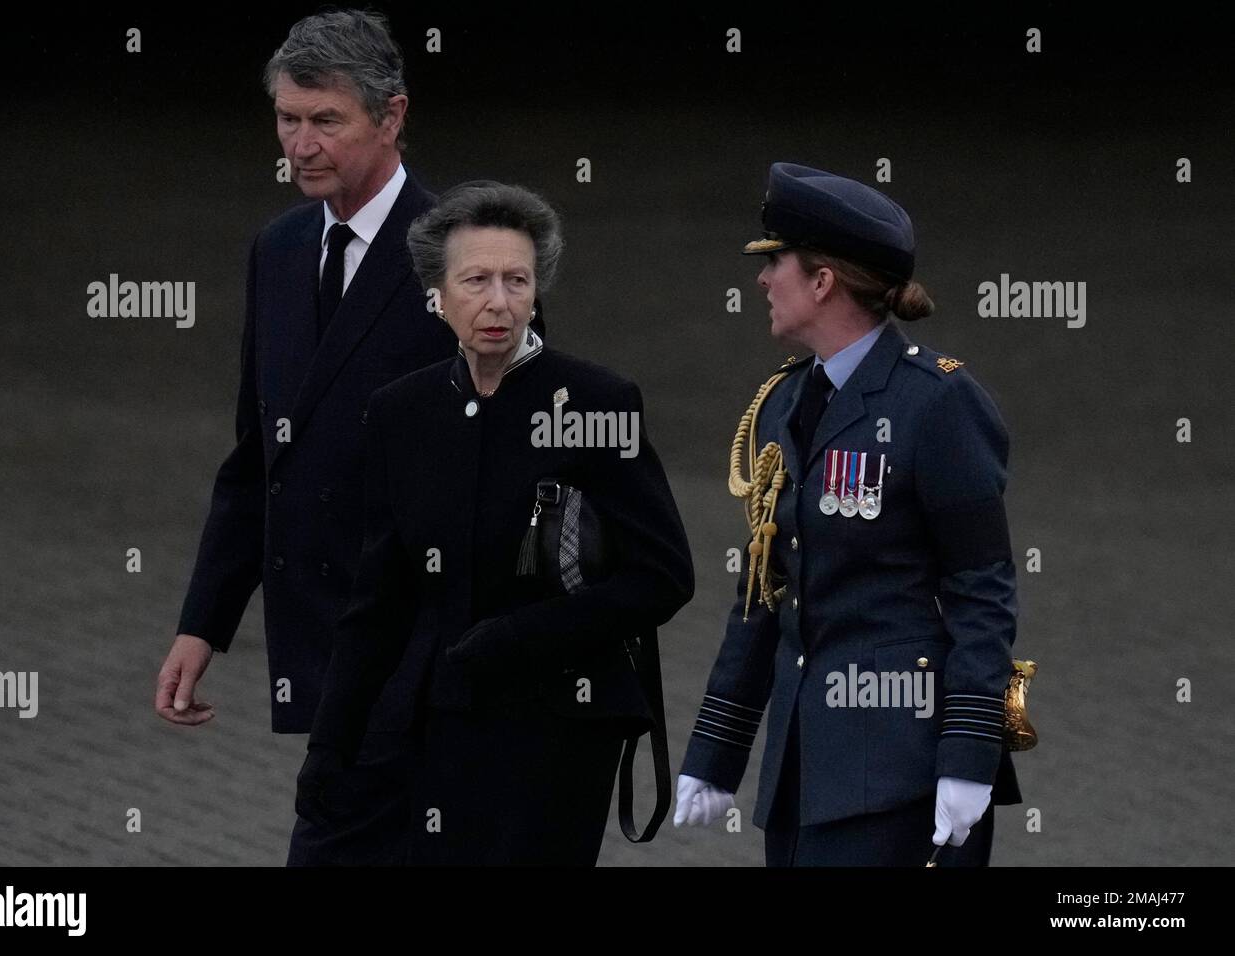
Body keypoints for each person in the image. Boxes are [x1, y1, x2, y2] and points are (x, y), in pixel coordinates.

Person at [296, 182, 695, 865]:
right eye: (476, 280)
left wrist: (519, 635)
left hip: (556, 728)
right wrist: (330, 743)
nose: (499, 302)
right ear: (438, 294)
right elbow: (378, 601)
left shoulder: (598, 401)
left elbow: (663, 577)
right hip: (426, 712)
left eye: (517, 280)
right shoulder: (402, 411)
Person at [153, 9, 457, 866]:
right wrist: (202, 625)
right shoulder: (280, 251)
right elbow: (258, 459)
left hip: (428, 666)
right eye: (289, 119)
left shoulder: (464, 256)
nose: (301, 142)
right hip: (327, 653)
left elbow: (519, 466)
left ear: (391, 117)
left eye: (327, 120)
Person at [675, 163, 1023, 866]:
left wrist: (968, 754)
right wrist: (717, 749)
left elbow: (981, 586)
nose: (762, 281)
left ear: (824, 281)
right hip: (803, 774)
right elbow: (762, 591)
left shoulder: (936, 404)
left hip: (901, 773)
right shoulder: (782, 403)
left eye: (777, 264)